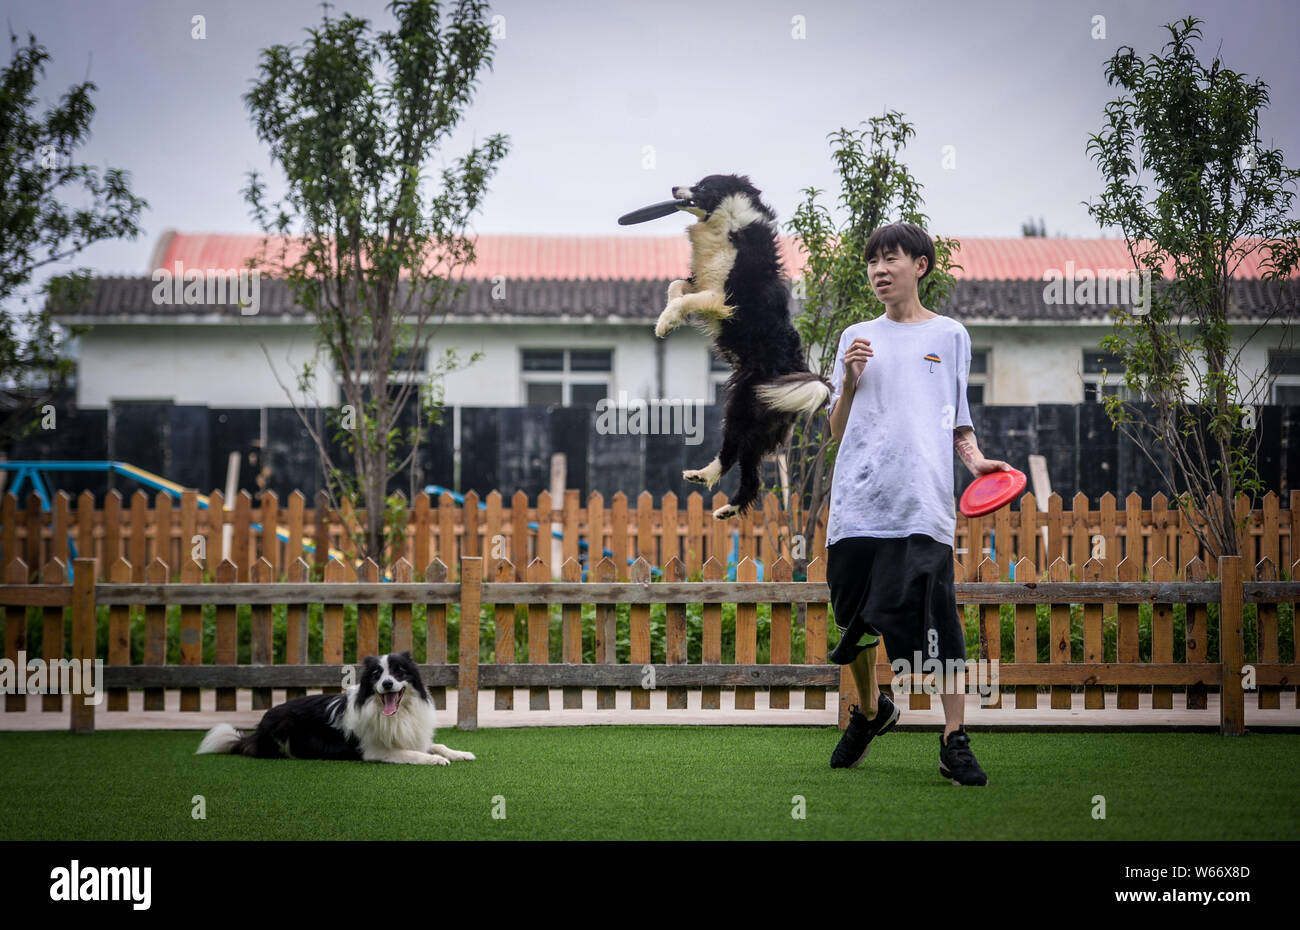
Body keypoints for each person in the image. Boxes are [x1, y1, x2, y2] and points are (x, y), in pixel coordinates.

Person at [824, 221, 1012, 785]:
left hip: (923, 505)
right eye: (872, 262)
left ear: (921, 265)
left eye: (891, 259)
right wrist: (851, 380)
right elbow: (836, 430)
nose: (879, 270)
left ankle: (953, 738)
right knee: (853, 625)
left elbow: (958, 419)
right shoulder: (856, 336)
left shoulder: (951, 335)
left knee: (939, 623)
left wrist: (976, 462)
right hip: (857, 503)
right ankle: (870, 709)